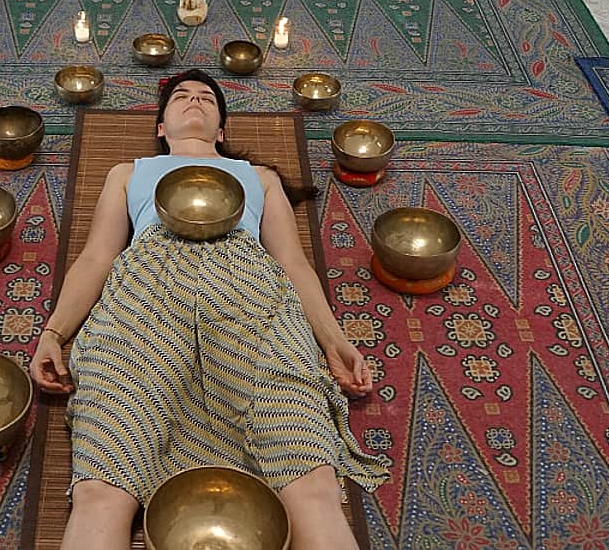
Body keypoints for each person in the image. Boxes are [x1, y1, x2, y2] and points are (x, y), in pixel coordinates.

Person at [29, 68, 388, 550]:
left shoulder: (258, 178)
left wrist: (333, 340)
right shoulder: (129, 173)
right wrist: (53, 333)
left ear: (221, 129)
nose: (194, 101)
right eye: (181, 96)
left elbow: (293, 262)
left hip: (250, 298)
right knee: (101, 487)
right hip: (146, 301)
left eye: (206, 98)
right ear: (161, 126)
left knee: (312, 481)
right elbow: (96, 257)